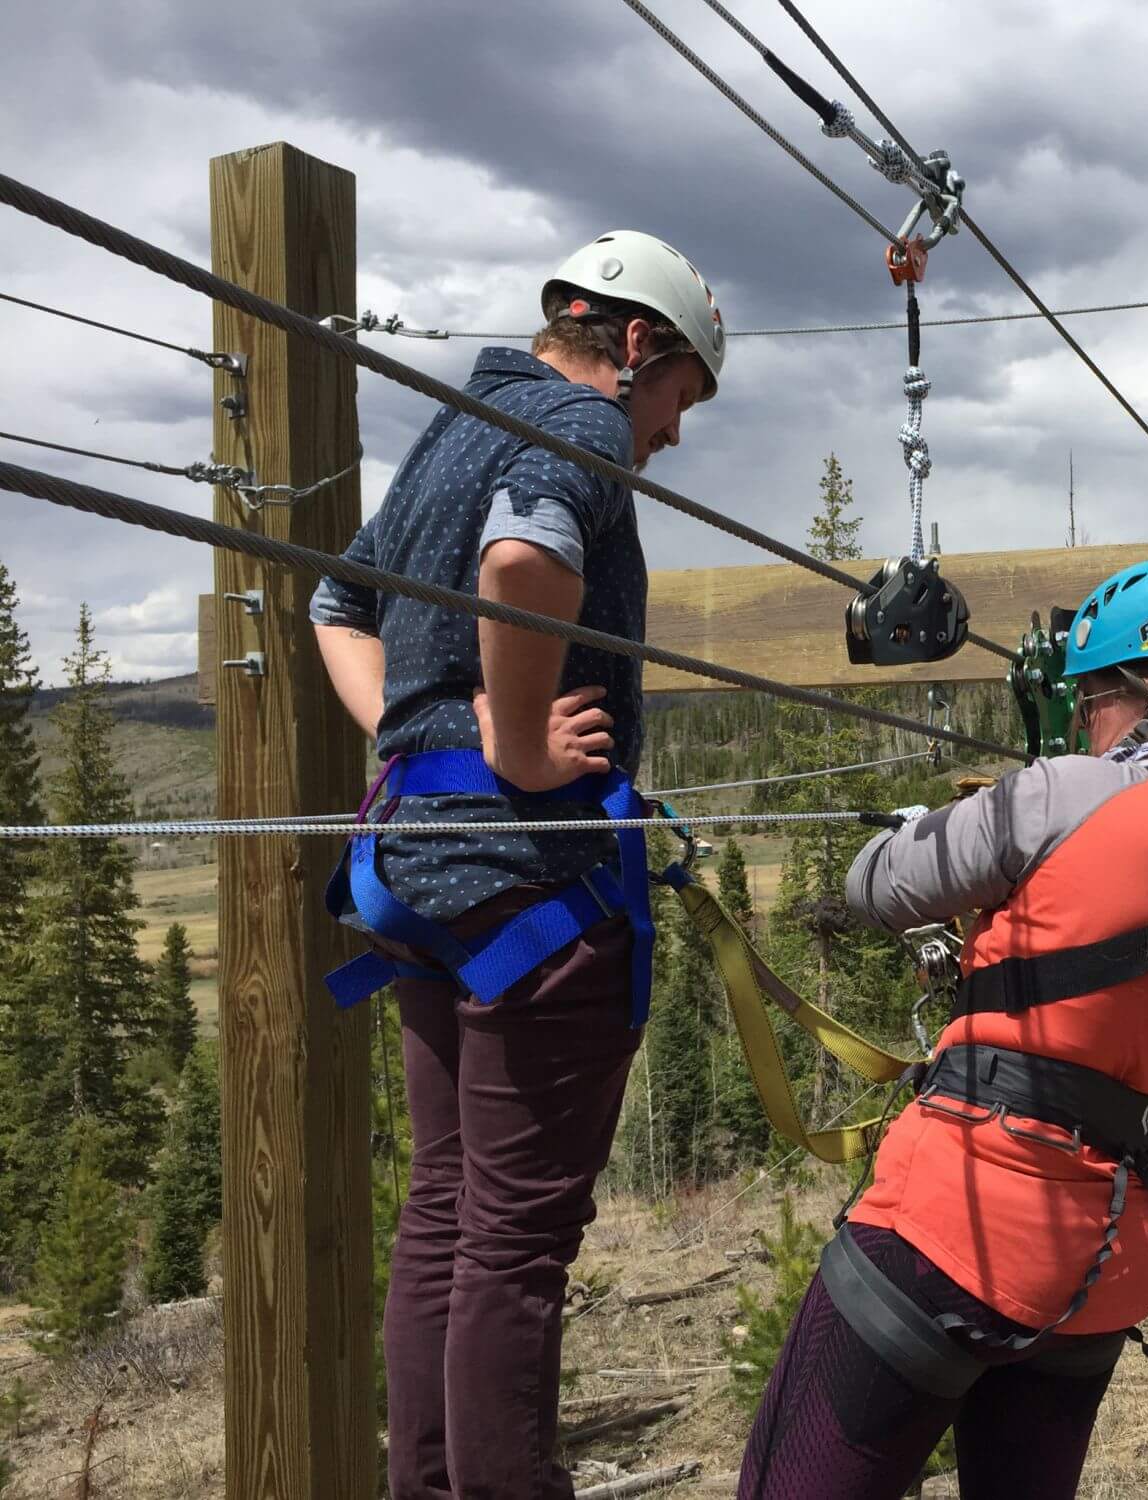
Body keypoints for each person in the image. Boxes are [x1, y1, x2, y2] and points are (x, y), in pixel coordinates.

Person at [737, 557, 1148, 1499]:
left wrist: (934, 826)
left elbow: (875, 884)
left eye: (1091, 697)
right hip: (1103, 1258)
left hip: (958, 1219)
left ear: (1145, 692)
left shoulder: (1060, 794)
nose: (1083, 717)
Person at [309, 231, 726, 1500]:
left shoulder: (452, 429)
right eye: (678, 401)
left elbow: (338, 604)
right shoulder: (576, 425)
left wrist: (417, 740)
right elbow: (523, 558)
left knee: (448, 1212)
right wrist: (524, 748)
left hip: (425, 881)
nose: (666, 436)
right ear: (638, 346)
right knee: (517, 1245)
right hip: (535, 885)